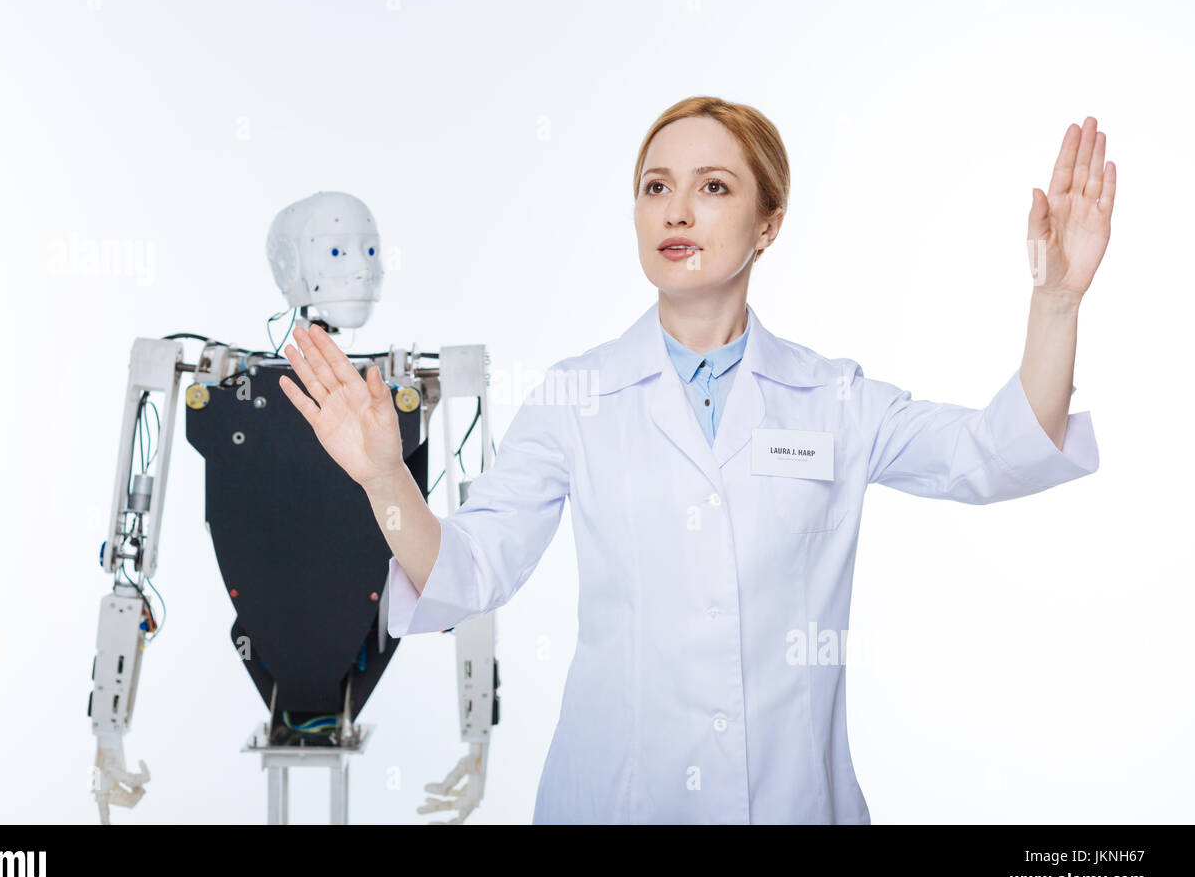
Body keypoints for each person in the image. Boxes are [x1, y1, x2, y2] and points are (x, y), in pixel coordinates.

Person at [278, 96, 1112, 824]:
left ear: (769, 223)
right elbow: (467, 573)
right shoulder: (578, 398)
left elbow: (996, 456)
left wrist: (1058, 301)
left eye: (713, 187)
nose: (677, 211)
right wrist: (386, 478)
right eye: (656, 187)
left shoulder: (835, 400)